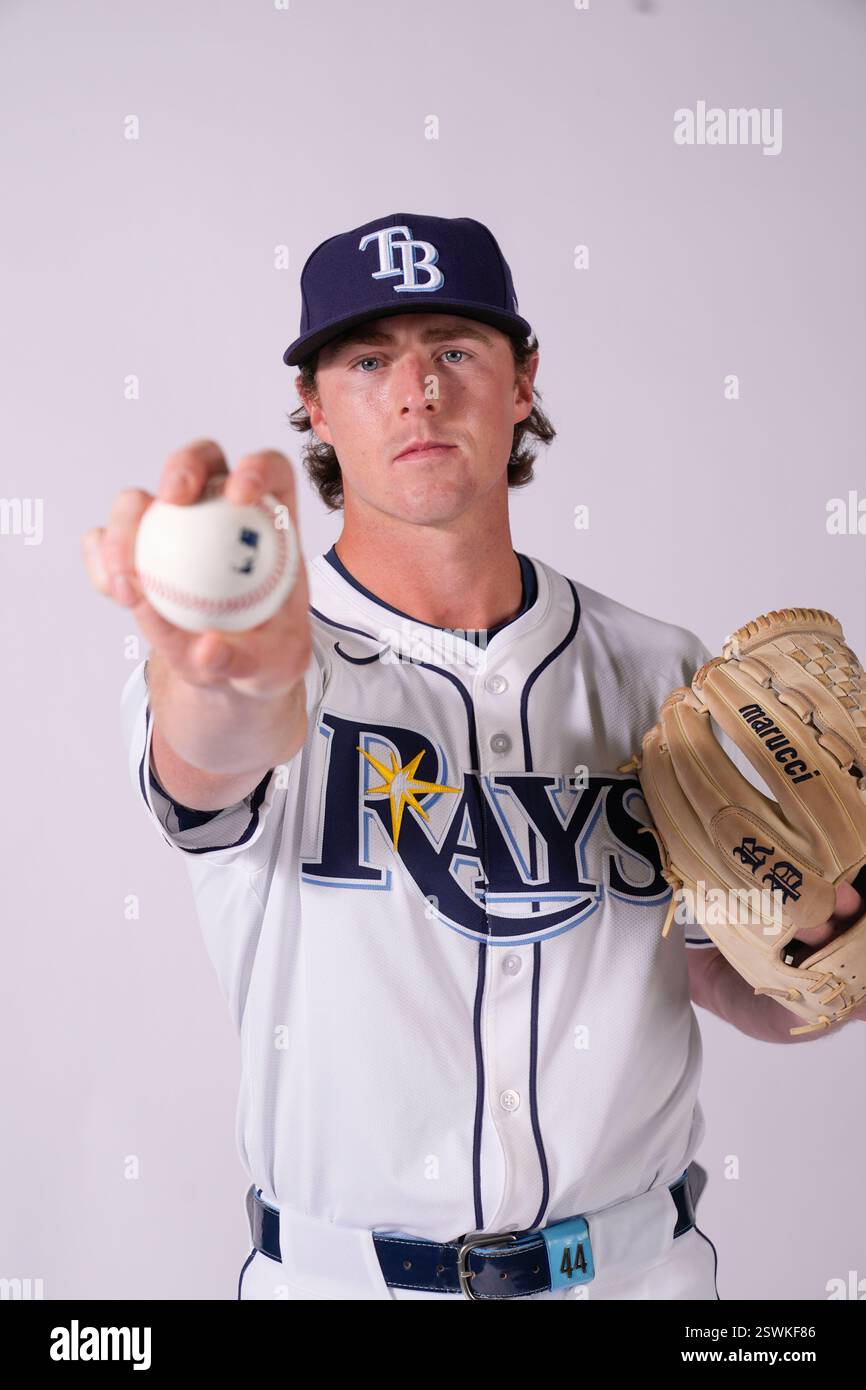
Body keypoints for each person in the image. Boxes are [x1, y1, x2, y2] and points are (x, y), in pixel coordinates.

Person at [82, 214, 863, 1301]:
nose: (417, 392)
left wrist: (831, 943)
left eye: (453, 348)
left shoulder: (662, 673)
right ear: (313, 404)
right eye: (368, 360)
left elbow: (731, 979)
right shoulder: (263, 660)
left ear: (522, 379)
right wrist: (223, 682)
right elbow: (204, 763)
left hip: (638, 1277)